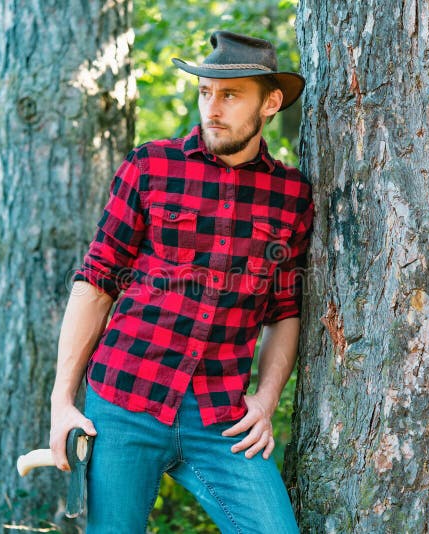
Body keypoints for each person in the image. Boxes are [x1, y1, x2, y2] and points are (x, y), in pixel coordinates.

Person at [49, 30, 313, 533]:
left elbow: (284, 312)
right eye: (205, 91)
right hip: (124, 400)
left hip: (220, 416)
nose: (212, 108)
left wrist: (266, 399)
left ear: (271, 102)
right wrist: (63, 401)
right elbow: (95, 281)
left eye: (230, 95)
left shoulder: (291, 196)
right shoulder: (151, 166)